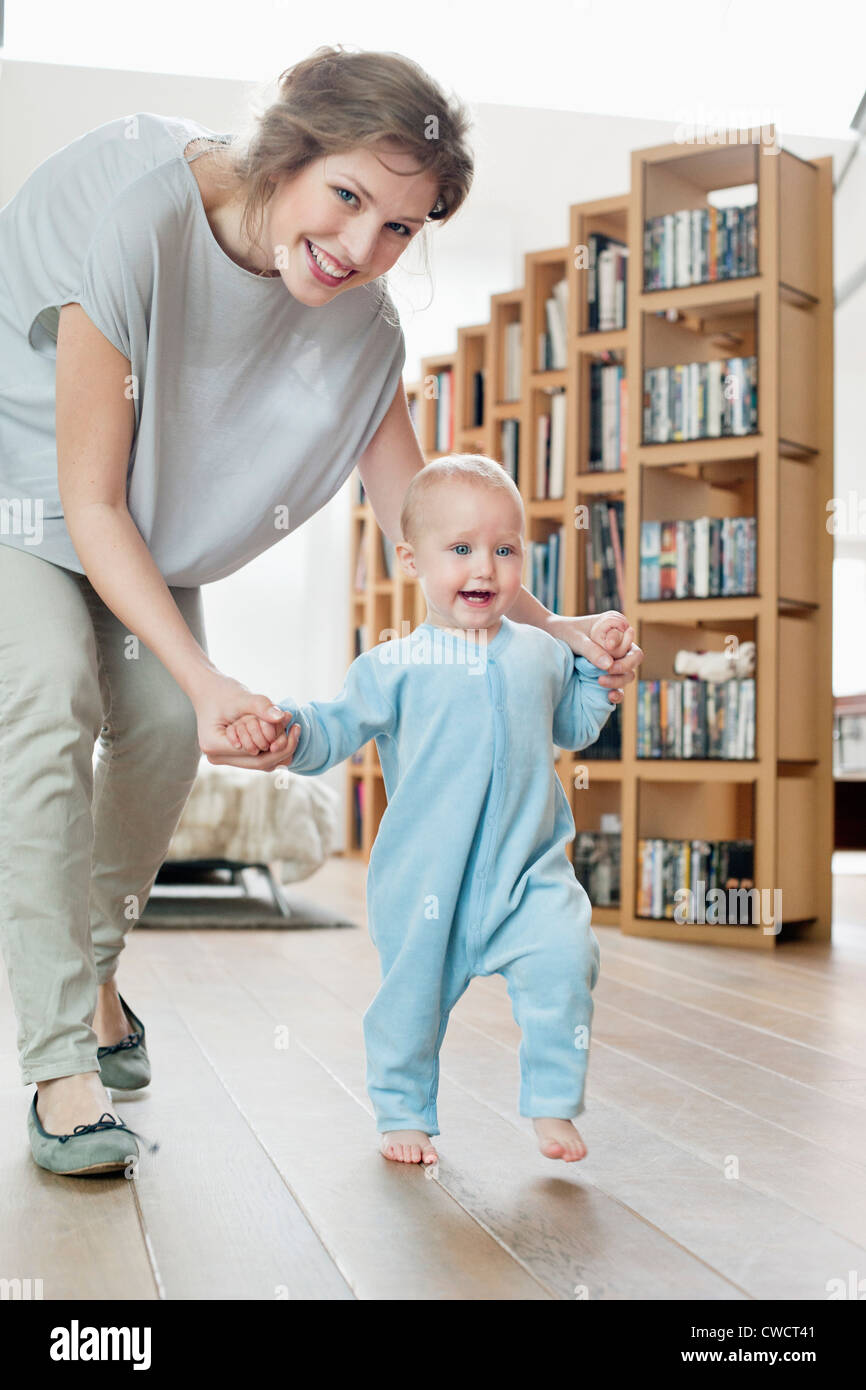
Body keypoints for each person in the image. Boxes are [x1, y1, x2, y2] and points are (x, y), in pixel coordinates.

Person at [0, 45, 640, 1178]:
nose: (360, 247)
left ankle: (94, 976)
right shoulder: (139, 219)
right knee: (51, 699)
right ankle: (60, 1068)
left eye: (399, 226)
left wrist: (560, 631)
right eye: (346, 196)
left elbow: (431, 526)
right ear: (287, 147)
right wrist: (206, 678)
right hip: (26, 496)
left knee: (153, 736)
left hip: (139, 533)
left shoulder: (362, 329)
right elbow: (85, 503)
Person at [228, 455, 636, 1166]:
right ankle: (403, 1109)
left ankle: (551, 1101)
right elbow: (333, 728)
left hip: (527, 876)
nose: (484, 567)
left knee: (568, 959)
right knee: (410, 1004)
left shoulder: (540, 653)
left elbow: (571, 723)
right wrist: (288, 728)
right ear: (411, 560)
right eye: (461, 549)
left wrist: (603, 678)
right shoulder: (392, 666)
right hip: (425, 884)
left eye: (504, 550)